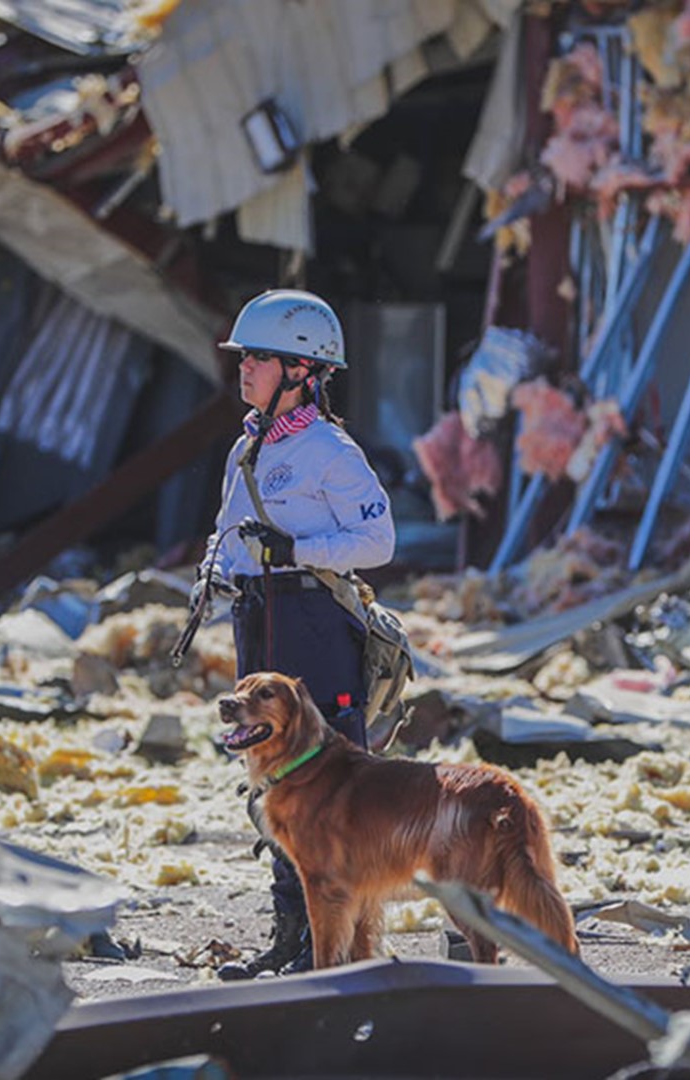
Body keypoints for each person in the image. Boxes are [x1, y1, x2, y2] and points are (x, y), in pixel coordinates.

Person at [198, 289, 395, 979]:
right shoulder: (245, 448)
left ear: (302, 372)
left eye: (258, 357)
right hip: (258, 620)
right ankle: (291, 938)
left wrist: (295, 551)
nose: (244, 368)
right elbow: (230, 536)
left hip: (314, 623)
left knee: (327, 788)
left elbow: (377, 541)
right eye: (244, 356)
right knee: (272, 784)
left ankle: (342, 953)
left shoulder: (330, 452)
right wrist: (218, 572)